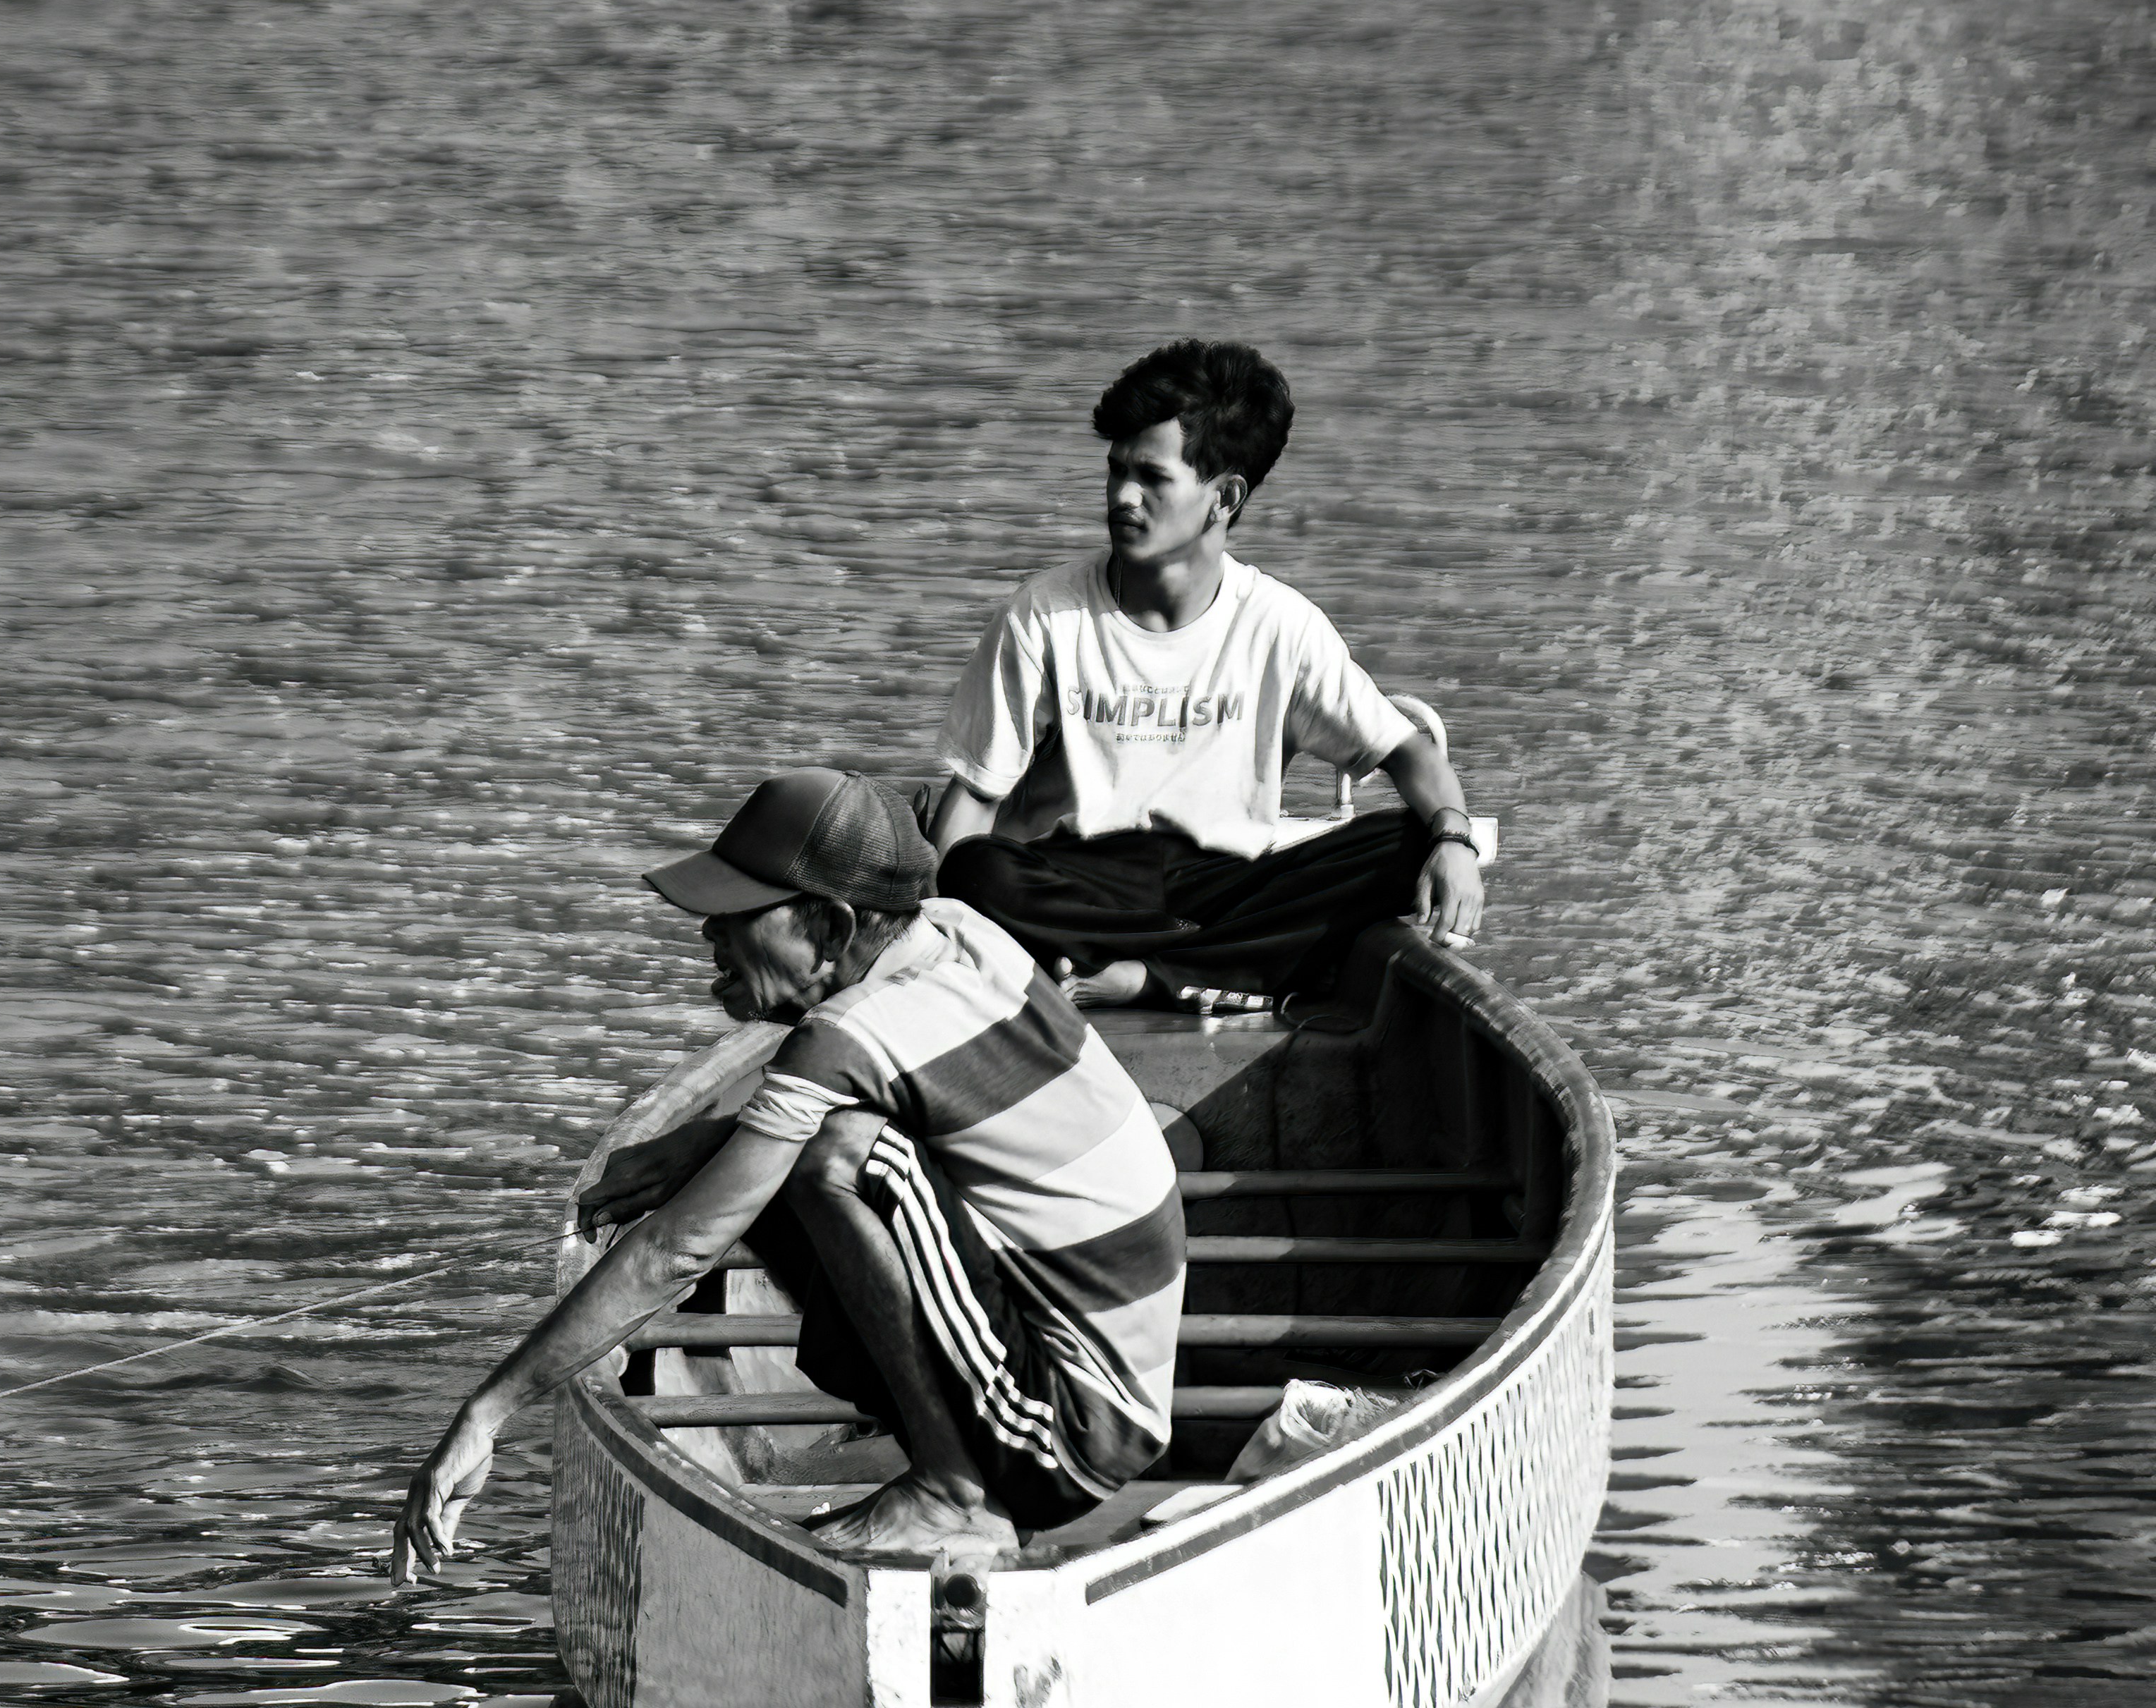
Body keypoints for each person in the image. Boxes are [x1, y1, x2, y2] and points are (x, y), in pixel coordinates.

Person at [392, 769, 1183, 1580]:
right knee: (799, 1150)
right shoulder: (952, 929)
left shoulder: (845, 1036)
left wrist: (486, 1413)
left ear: (834, 928)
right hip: (1100, 1395)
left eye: (737, 917)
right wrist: (715, 1141)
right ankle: (952, 1467)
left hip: (1069, 1432)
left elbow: (681, 1251)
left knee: (838, 1155)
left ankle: (952, 1492)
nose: (710, 937)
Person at [915, 340, 1486, 1010]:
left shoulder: (1279, 624)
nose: (1123, 497)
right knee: (977, 870)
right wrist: (943, 911)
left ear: (1225, 497)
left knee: (1410, 838)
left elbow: (1410, 754)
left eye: (1152, 479)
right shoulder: (1044, 616)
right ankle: (1212, 963)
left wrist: (1455, 842)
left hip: (1227, 880)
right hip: (1086, 883)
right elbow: (974, 803)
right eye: (1116, 471)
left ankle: (1147, 971)